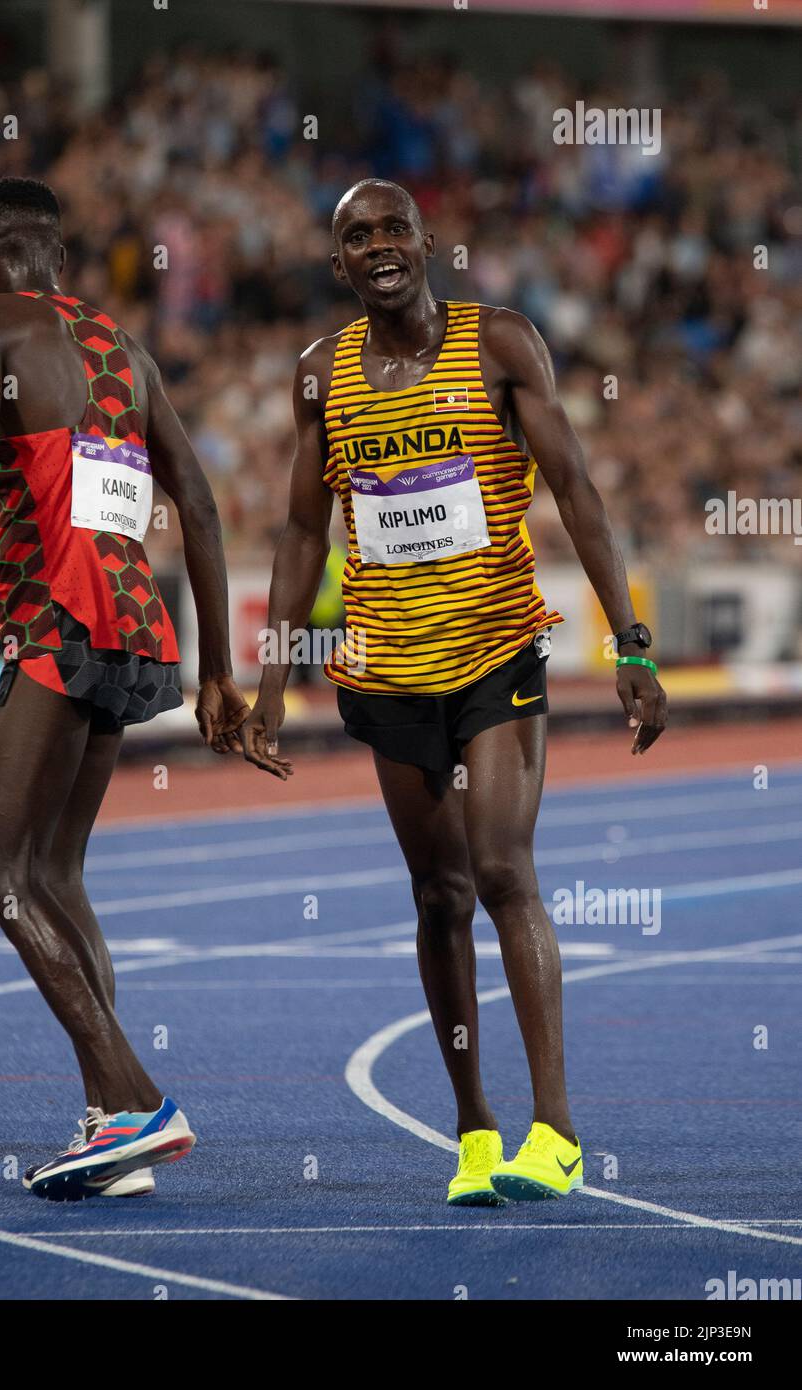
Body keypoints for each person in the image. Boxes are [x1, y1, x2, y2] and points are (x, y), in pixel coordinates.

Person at [243, 179, 667, 1205]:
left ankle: (553, 1131)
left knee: (503, 870)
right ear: (338, 263)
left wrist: (632, 644)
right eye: (357, 236)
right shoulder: (319, 376)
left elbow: (576, 491)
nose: (379, 245)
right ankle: (475, 1131)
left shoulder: (500, 343)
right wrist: (270, 681)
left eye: (394, 227)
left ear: (426, 241)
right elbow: (302, 532)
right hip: (388, 668)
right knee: (439, 896)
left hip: (494, 653)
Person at [0, 176, 249, 1201]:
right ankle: (109, 1125)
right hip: (133, 627)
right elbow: (201, 505)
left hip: (54, 619)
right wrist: (216, 670)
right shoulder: (124, 348)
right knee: (56, 872)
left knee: (2, 879)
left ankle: (137, 1101)